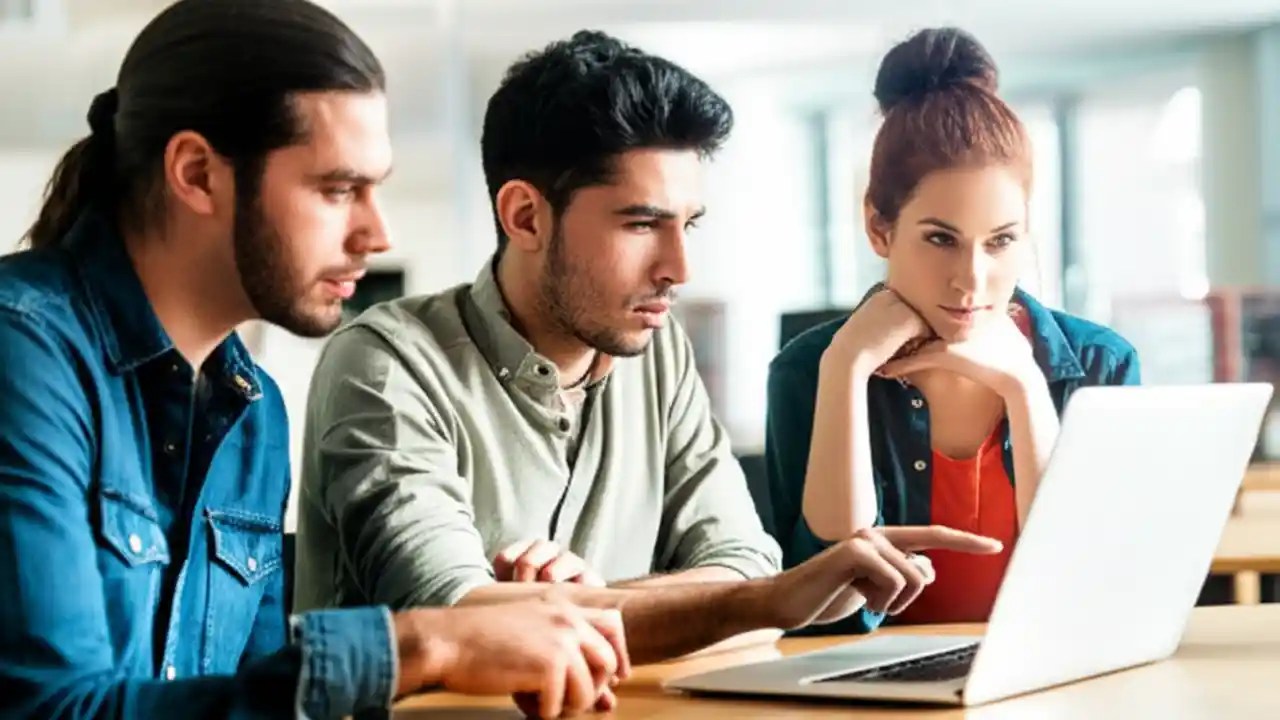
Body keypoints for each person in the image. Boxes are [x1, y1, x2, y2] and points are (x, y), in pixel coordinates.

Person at [0, 2, 633, 718]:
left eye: (376, 188)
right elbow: (47, 709)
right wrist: (427, 645)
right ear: (199, 174)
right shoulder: (21, 352)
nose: (376, 231)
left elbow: (244, 697)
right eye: (338, 190)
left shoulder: (253, 411)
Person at [292, 28, 1000, 666]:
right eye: (641, 224)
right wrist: (750, 602)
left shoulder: (653, 354)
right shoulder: (385, 365)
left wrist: (590, 601)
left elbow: (745, 561)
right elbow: (457, 620)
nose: (678, 268)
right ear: (525, 215)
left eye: (689, 223)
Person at [764, 27, 1141, 634]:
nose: (972, 279)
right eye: (941, 239)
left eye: (1001, 241)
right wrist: (845, 370)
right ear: (879, 228)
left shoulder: (1103, 365)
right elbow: (827, 614)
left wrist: (1024, 389)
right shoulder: (806, 370)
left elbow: (1088, 595)